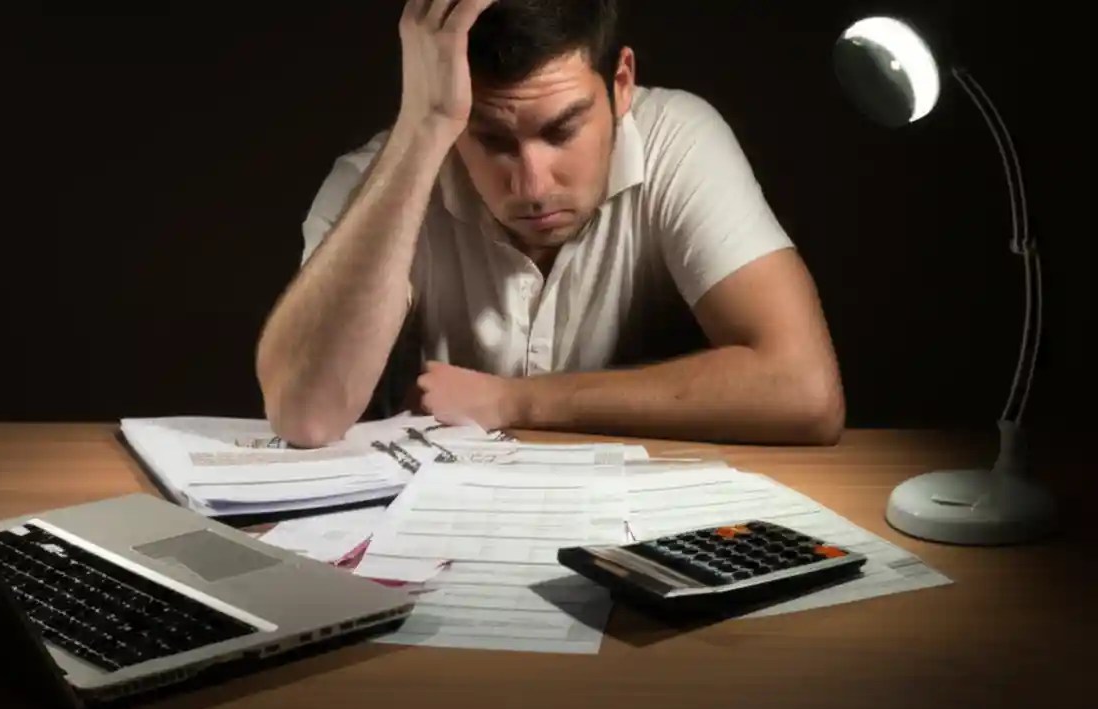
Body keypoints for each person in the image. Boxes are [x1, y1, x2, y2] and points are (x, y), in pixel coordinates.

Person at [256, 0, 844, 447]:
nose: (533, 187)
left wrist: (518, 401)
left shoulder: (677, 140)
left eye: (562, 130)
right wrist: (423, 125)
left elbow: (803, 390)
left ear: (621, 84)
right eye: (492, 139)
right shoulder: (377, 178)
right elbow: (306, 416)